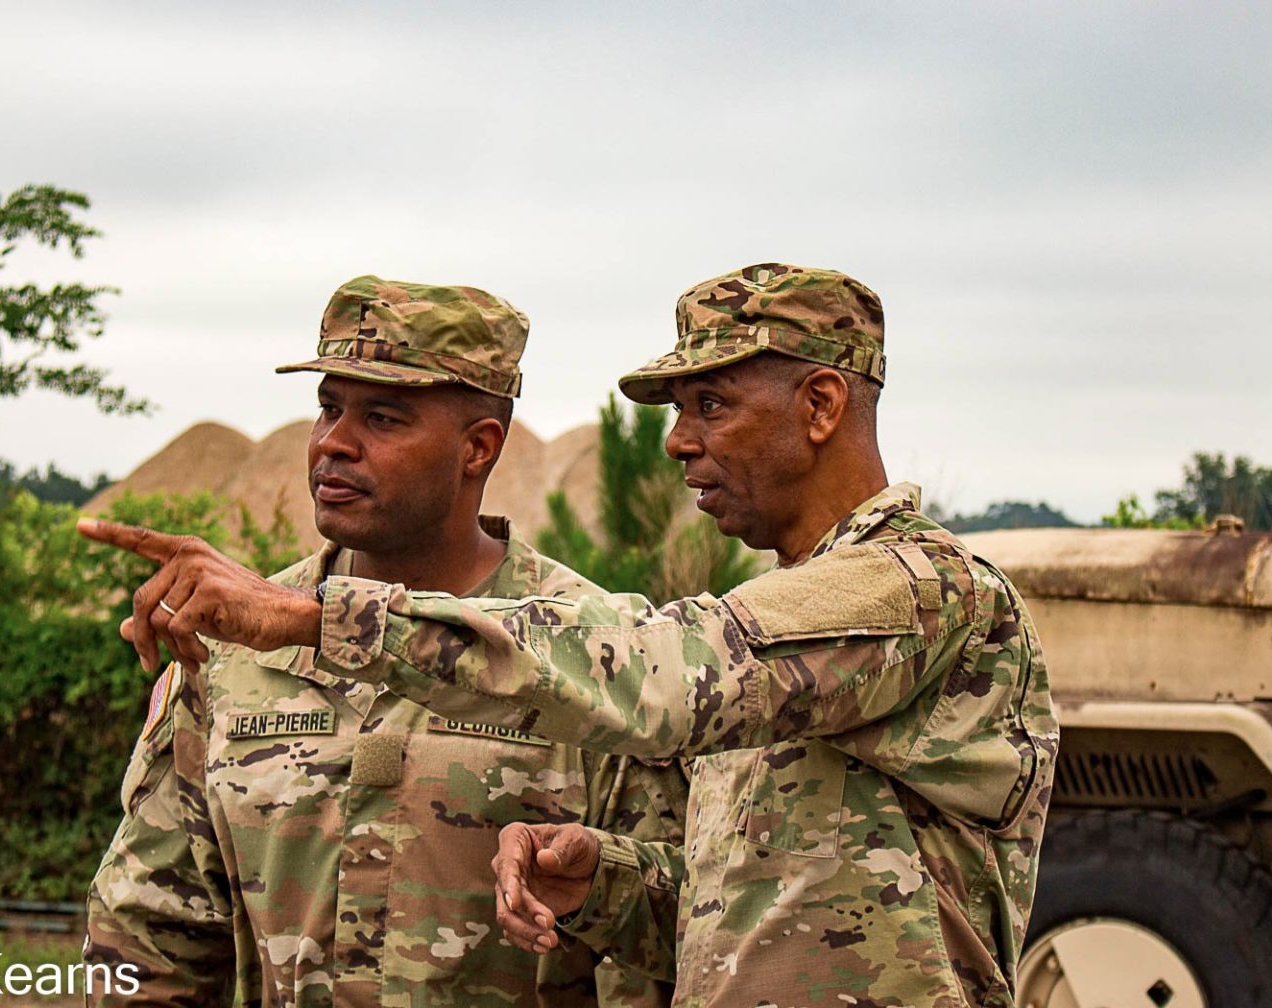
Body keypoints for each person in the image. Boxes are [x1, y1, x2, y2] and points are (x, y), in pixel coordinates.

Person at [88, 263, 1057, 1008]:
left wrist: (308, 619)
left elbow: (663, 674)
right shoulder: (790, 622)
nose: (678, 440)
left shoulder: (922, 592)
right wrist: (601, 882)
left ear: (820, 406)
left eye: (711, 404)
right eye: (680, 410)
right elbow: (726, 923)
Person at [81, 276, 688, 1007]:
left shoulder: (596, 656)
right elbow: (151, 931)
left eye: (385, 418)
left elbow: (671, 941)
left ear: (478, 448)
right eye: (328, 409)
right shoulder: (236, 644)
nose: (335, 443)